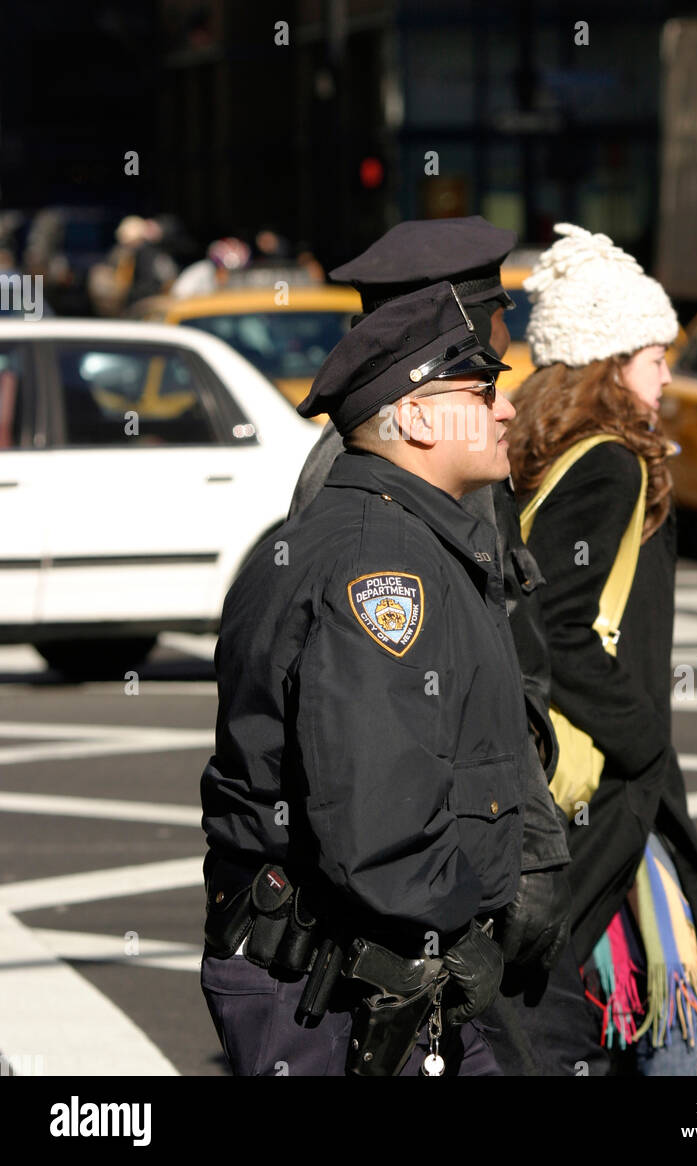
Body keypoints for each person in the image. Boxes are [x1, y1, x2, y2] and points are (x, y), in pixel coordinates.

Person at [200, 282, 532, 1076]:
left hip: (366, 966)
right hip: (342, 984)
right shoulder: (381, 565)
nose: (507, 409)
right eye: (482, 391)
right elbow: (377, 812)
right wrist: (451, 934)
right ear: (417, 417)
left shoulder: (399, 537)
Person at [491, 224, 697, 1077]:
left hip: (591, 784)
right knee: (678, 1018)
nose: (668, 376)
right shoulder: (613, 465)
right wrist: (643, 736)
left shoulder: (538, 455)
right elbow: (564, 629)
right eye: (657, 357)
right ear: (612, 360)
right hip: (611, 787)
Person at [289, 216, 571, 990]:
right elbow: (440, 713)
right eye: (499, 311)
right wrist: (531, 859)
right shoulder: (420, 464)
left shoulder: (412, 441)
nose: (511, 332)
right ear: (465, 320)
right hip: (464, 868)